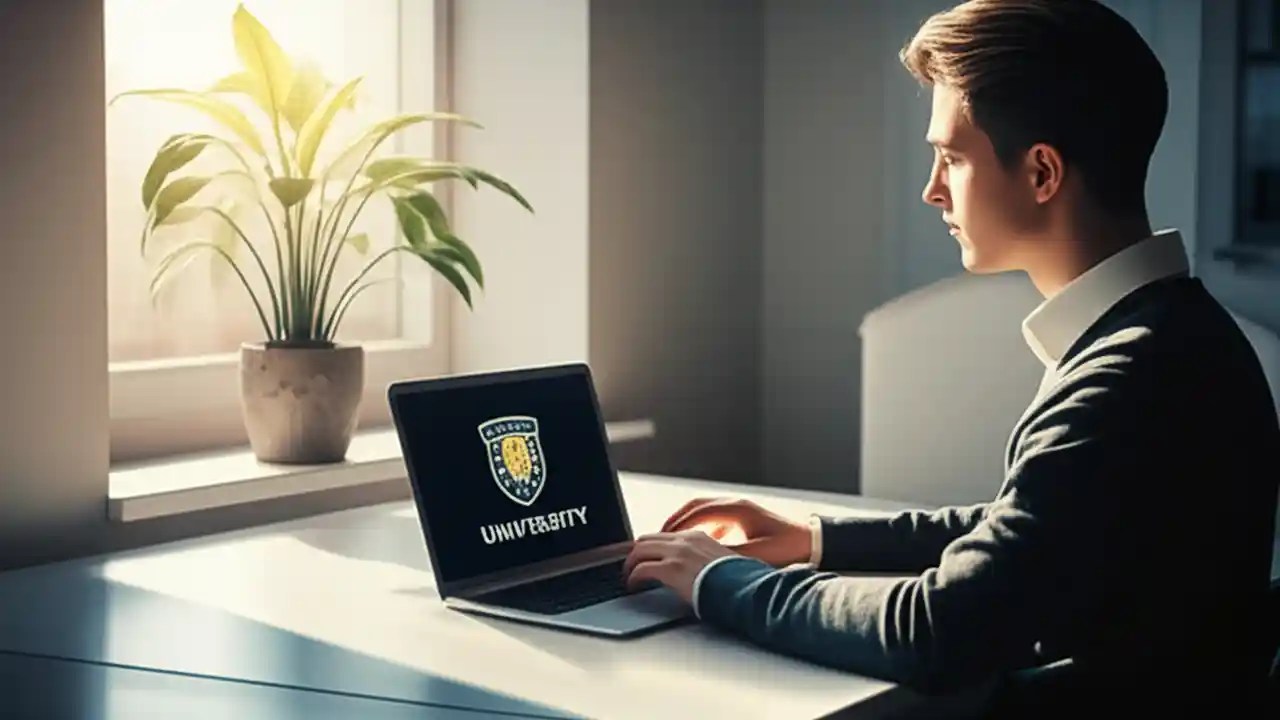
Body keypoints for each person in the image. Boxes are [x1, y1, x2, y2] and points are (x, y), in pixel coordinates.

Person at [622, 0, 1280, 715]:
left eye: (951, 157)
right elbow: (1022, 528)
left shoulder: (1129, 376)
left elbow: (938, 629)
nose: (932, 189)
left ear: (1041, 174)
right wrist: (811, 540)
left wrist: (722, 583)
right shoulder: (1180, 336)